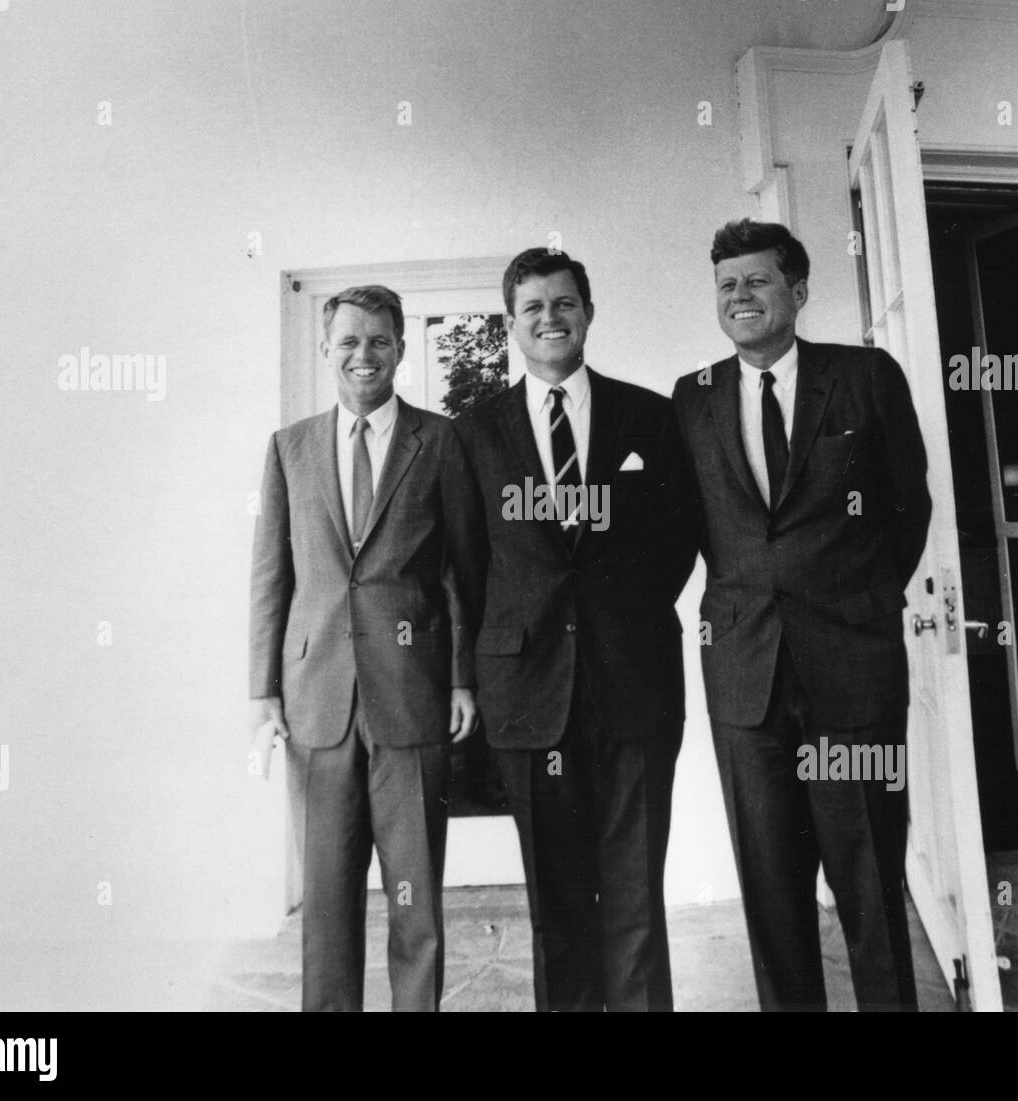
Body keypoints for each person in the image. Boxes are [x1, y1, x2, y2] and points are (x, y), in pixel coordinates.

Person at [672, 219, 932, 1012]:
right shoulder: (695, 396)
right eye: (726, 284)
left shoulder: (864, 376)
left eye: (755, 280)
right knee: (772, 887)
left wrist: (858, 605)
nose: (739, 296)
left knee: (869, 876)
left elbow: (907, 508)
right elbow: (688, 526)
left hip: (853, 677)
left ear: (799, 290)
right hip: (748, 684)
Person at [454, 248, 699, 1011]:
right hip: (527, 695)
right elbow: (467, 564)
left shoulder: (648, 416)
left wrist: (617, 618)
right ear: (512, 325)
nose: (550, 318)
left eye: (564, 303)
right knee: (556, 901)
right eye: (533, 307)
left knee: (633, 892)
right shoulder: (474, 434)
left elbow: (678, 538)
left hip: (634, 687)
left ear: (588, 313)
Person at [248, 284, 483, 1012]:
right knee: (327, 898)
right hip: (315, 701)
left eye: (379, 340)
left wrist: (461, 678)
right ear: (326, 351)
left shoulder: (440, 441)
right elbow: (269, 576)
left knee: (417, 901)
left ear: (401, 349)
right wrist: (263, 694)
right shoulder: (289, 448)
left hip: (412, 698)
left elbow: (461, 570)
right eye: (348, 341)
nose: (364, 355)